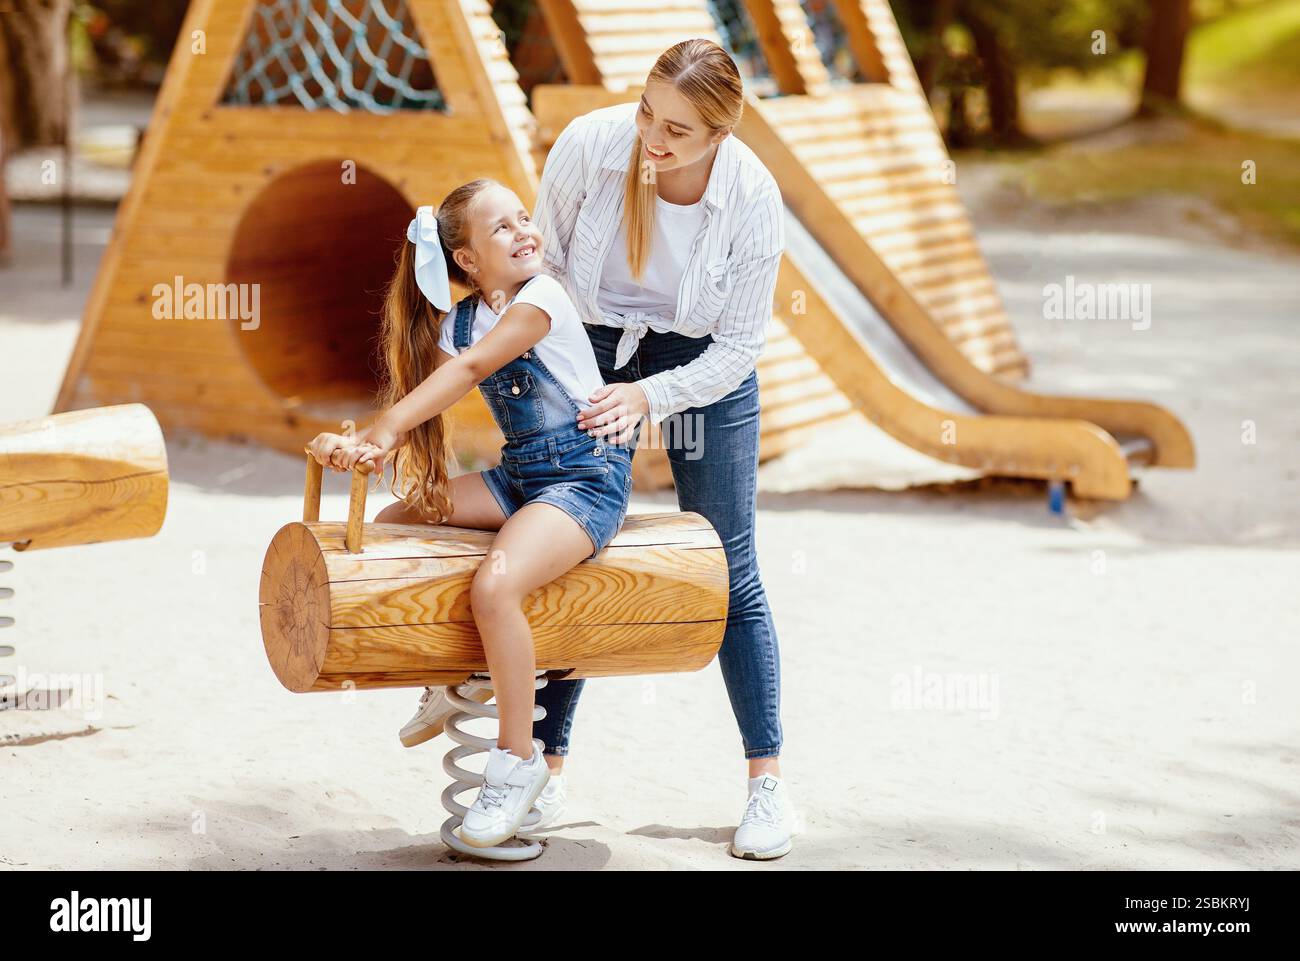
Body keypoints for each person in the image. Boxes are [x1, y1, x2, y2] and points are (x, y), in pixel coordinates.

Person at [308, 179, 633, 848]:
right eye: (502, 228)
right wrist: (356, 444)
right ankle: (446, 675)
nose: (524, 232)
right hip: (522, 477)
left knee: (497, 583)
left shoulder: (541, 297)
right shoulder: (460, 322)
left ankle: (518, 763)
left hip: (584, 479)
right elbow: (430, 383)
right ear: (466, 262)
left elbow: (472, 370)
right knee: (399, 519)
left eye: (523, 218)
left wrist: (387, 426)